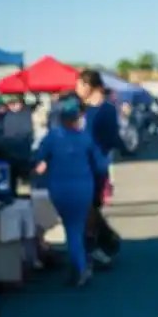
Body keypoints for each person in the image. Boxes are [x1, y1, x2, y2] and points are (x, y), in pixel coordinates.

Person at [34, 98, 108, 286]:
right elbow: (100, 166)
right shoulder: (86, 138)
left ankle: (80, 267)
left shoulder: (52, 137)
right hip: (83, 187)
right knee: (76, 227)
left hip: (59, 187)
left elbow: (38, 158)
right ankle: (81, 267)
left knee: (71, 227)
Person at [75, 70, 123, 266]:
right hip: (88, 165)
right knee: (89, 207)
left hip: (93, 166)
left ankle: (94, 245)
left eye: (78, 85)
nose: (76, 90)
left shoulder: (103, 110)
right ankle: (103, 240)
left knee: (89, 207)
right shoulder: (90, 110)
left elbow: (106, 139)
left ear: (88, 85)